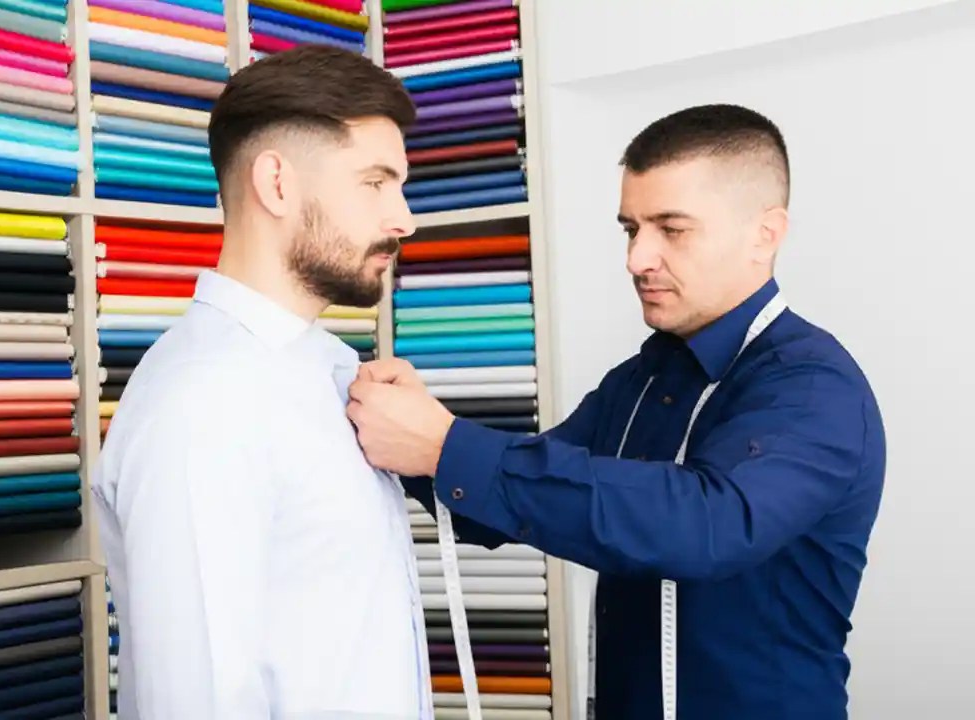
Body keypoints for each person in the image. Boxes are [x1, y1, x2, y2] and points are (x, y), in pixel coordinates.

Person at [346, 104, 886, 720]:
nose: (636, 259)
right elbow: (515, 502)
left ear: (765, 233)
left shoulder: (815, 388)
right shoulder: (639, 380)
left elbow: (703, 526)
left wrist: (444, 446)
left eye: (672, 229)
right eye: (631, 229)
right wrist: (403, 434)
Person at [90, 46, 431, 719]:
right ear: (276, 184)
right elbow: (195, 699)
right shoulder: (203, 402)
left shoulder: (333, 369)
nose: (404, 219)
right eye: (375, 183)